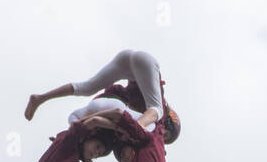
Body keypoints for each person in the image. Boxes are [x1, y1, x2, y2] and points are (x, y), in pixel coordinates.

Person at [25, 49, 180, 144]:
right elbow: (154, 115)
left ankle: (40, 98)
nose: (162, 137)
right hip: (145, 62)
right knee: (156, 111)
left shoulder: (135, 101)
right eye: (166, 135)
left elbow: (113, 93)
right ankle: (139, 125)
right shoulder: (161, 113)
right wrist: (135, 129)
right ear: (169, 124)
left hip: (126, 60)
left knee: (87, 87)